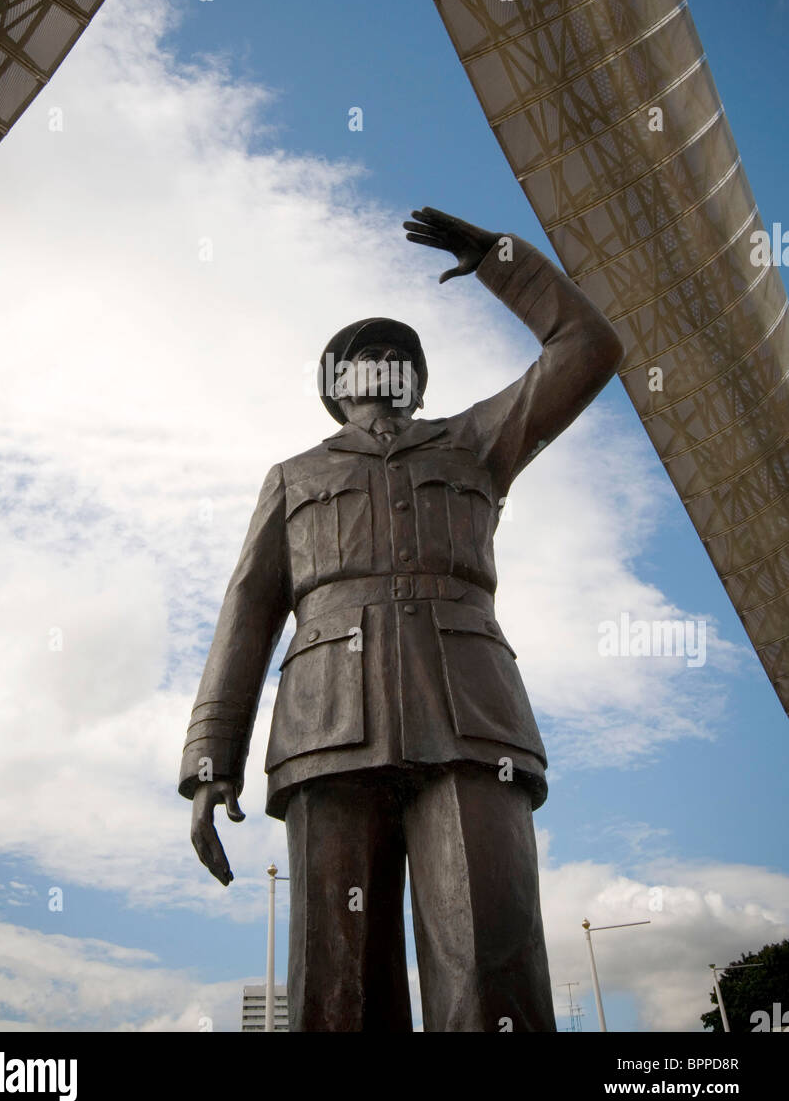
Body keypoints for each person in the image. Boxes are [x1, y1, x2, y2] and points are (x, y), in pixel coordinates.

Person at [179, 206, 624, 1031]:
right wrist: (210, 759)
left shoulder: (477, 442)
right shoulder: (293, 477)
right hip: (326, 729)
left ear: (419, 383)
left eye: (399, 361)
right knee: (337, 978)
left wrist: (502, 262)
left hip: (469, 720)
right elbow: (246, 614)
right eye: (362, 362)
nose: (383, 371)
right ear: (333, 388)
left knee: (490, 957)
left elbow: (588, 350)